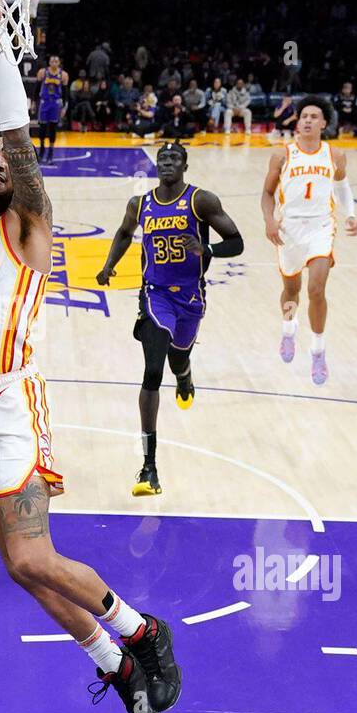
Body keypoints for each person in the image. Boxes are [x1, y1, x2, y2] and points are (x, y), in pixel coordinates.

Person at [0, 29, 182, 713]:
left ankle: (143, 630)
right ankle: (117, 665)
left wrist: (5, 52)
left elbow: (12, 139)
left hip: (12, 401)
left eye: (2, 159)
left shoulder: (29, 221)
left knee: (29, 555)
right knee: (21, 571)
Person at [96, 142, 244, 495]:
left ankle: (186, 373)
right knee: (152, 370)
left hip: (191, 298)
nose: (167, 164)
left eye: (174, 158)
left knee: (178, 356)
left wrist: (207, 249)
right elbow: (123, 233)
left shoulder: (200, 201)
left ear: (185, 165)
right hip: (155, 295)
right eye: (162, 159)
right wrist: (108, 267)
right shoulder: (141, 204)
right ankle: (149, 467)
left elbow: (236, 242)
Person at [260, 97, 357, 385]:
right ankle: (289, 329)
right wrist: (269, 220)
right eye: (304, 116)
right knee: (292, 290)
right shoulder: (282, 156)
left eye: (314, 116)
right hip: (289, 229)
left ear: (324, 123)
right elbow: (267, 194)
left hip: (320, 227)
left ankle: (318, 352)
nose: (307, 120)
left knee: (316, 289)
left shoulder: (335, 155)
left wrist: (351, 214)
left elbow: (341, 187)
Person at [35, 55, 67, 163]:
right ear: (49, 62)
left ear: (59, 63)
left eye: (56, 61)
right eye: (52, 61)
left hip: (55, 104)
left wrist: (64, 107)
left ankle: (51, 152)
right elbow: (36, 89)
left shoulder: (63, 75)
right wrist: (34, 102)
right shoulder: (43, 72)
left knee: (53, 128)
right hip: (44, 103)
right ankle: (42, 148)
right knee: (42, 128)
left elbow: (65, 93)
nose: (54, 62)